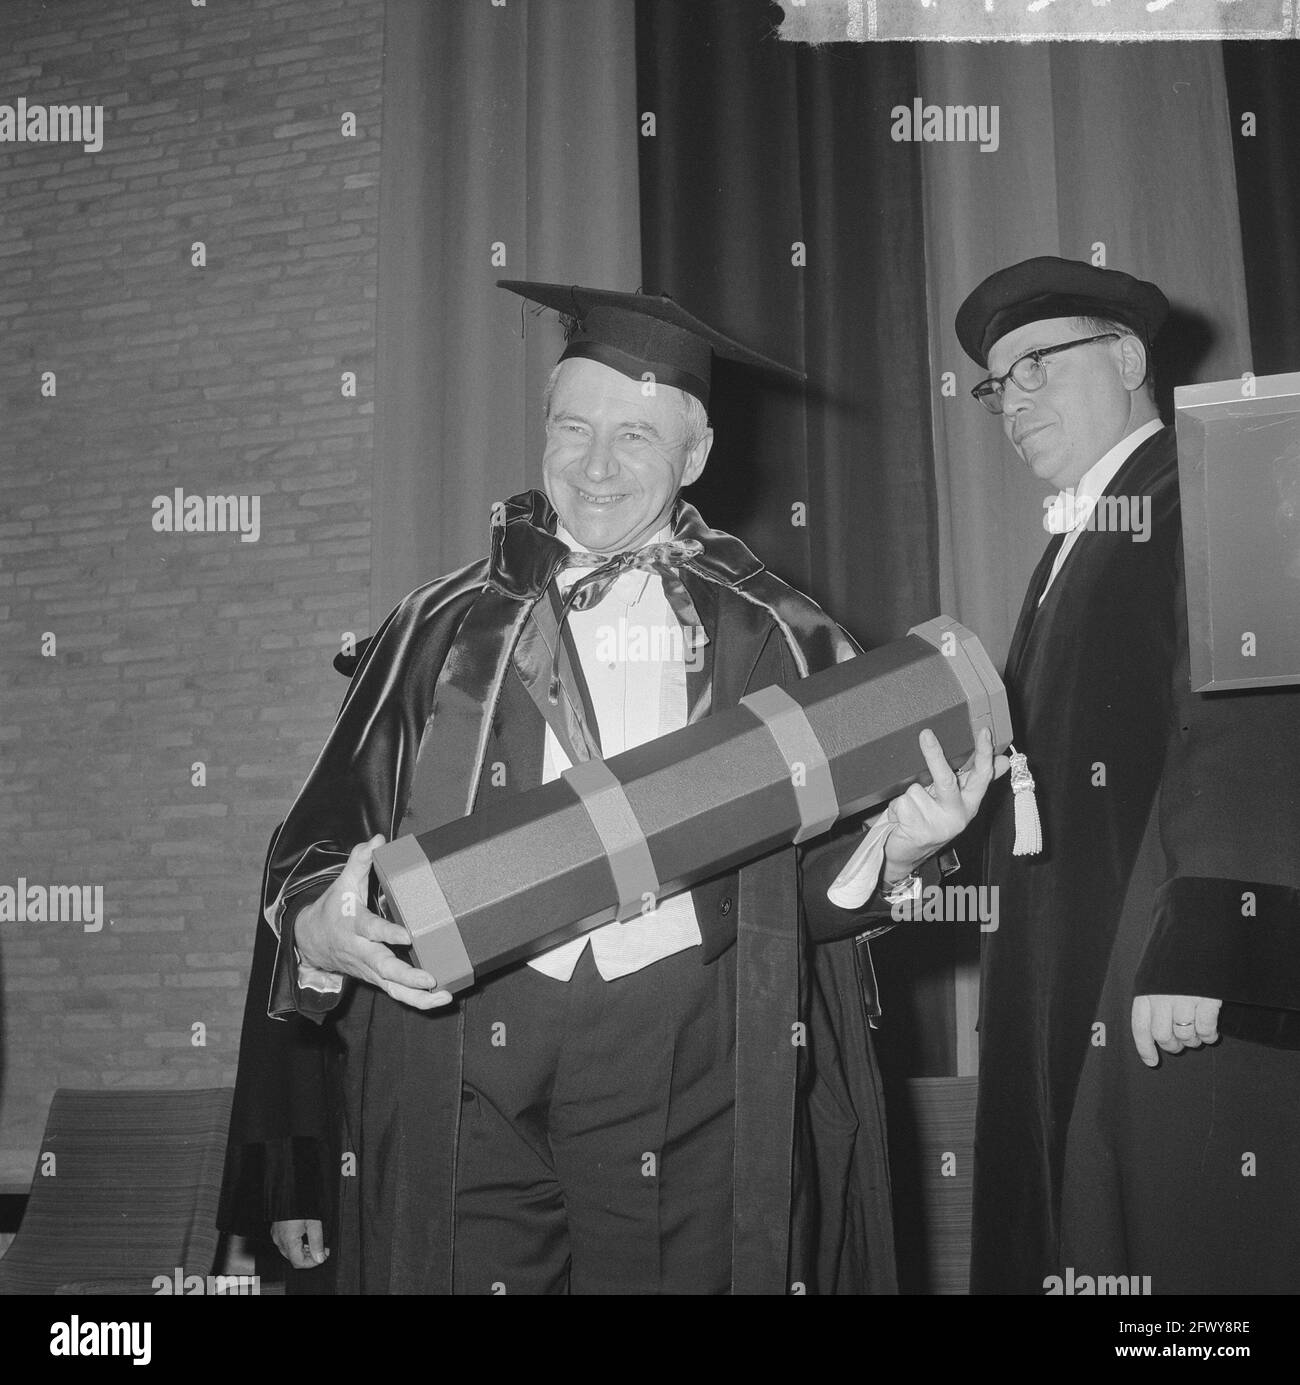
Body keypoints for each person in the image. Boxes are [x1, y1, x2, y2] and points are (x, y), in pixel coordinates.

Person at [219, 281, 997, 1295]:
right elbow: (319, 836)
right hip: (464, 1052)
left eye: (634, 436)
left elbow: (789, 901)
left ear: (696, 456)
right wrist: (319, 923)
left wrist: (894, 852)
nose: (593, 465)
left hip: (682, 1054)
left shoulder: (776, 633)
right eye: (572, 426)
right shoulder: (441, 624)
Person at [957, 256, 1300, 1295]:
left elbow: (1253, 709)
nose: (1011, 400)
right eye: (994, 383)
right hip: (1079, 964)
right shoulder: (1079, 535)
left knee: (1185, 1257)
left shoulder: (1214, 471)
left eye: (1037, 365)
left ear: (1127, 357)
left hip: (1163, 967)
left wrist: (1212, 931)